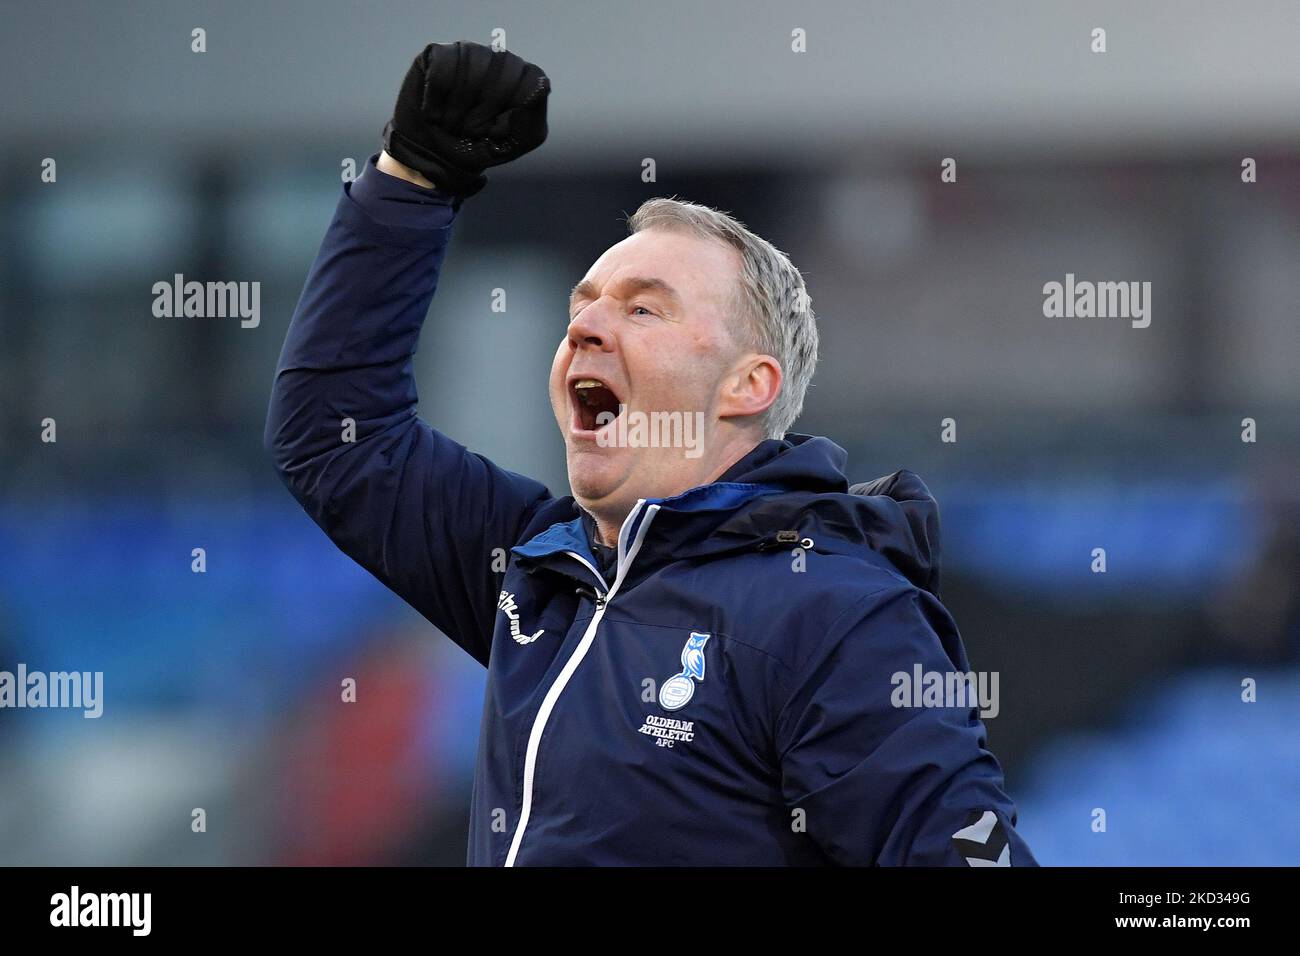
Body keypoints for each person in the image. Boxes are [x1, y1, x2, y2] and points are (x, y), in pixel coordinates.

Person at [266, 40, 1037, 867]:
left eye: (644, 311)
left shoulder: (837, 615)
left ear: (748, 384)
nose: (585, 327)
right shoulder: (539, 572)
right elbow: (336, 433)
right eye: (584, 304)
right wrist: (411, 181)